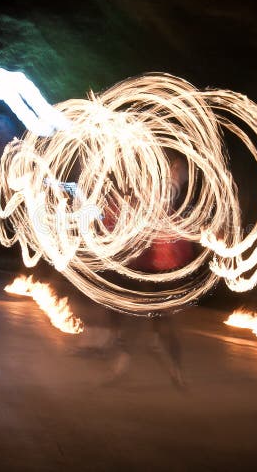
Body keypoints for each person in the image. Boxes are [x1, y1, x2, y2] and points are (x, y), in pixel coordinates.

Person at [101, 151, 194, 389]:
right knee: (137, 313)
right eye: (176, 171)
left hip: (160, 262)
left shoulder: (164, 193)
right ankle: (126, 360)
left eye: (179, 173)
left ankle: (175, 370)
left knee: (162, 318)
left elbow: (169, 209)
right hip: (146, 260)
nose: (178, 175)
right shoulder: (146, 193)